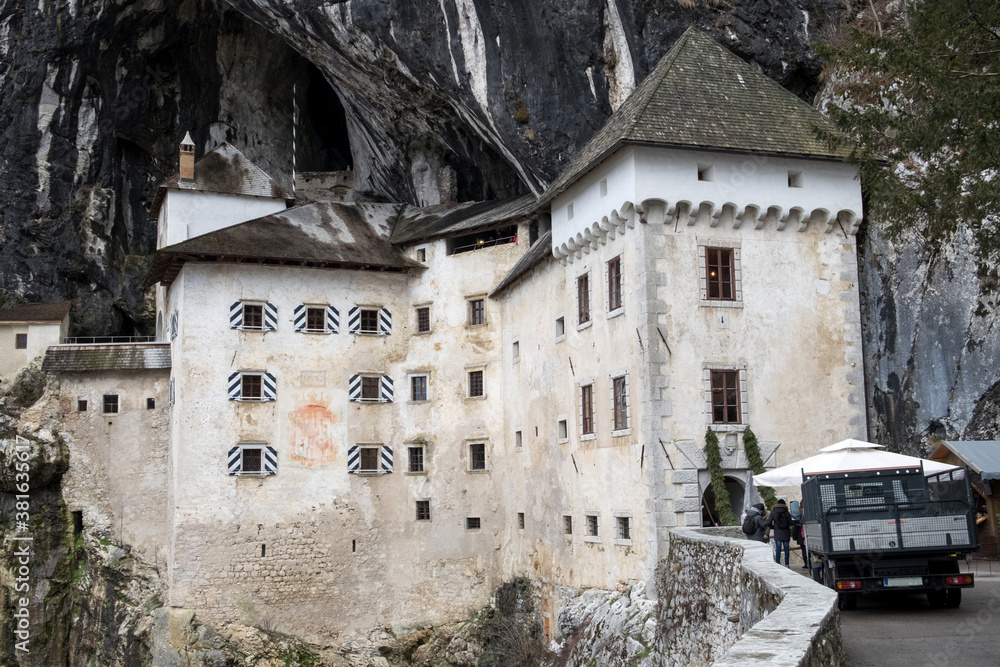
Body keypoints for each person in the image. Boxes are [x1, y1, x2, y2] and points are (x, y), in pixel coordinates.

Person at [764, 498, 792, 566]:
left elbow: (768, 522)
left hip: (777, 532)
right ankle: (787, 563)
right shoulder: (786, 512)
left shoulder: (773, 511)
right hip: (786, 532)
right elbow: (791, 523)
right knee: (786, 547)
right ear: (784, 504)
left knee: (778, 547)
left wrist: (773, 527)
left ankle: (778, 563)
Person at [789, 500, 808, 568]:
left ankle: (806, 563)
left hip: (801, 534)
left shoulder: (798, 513)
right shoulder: (809, 512)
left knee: (803, 550)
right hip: (807, 534)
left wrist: (794, 536)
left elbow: (796, 525)